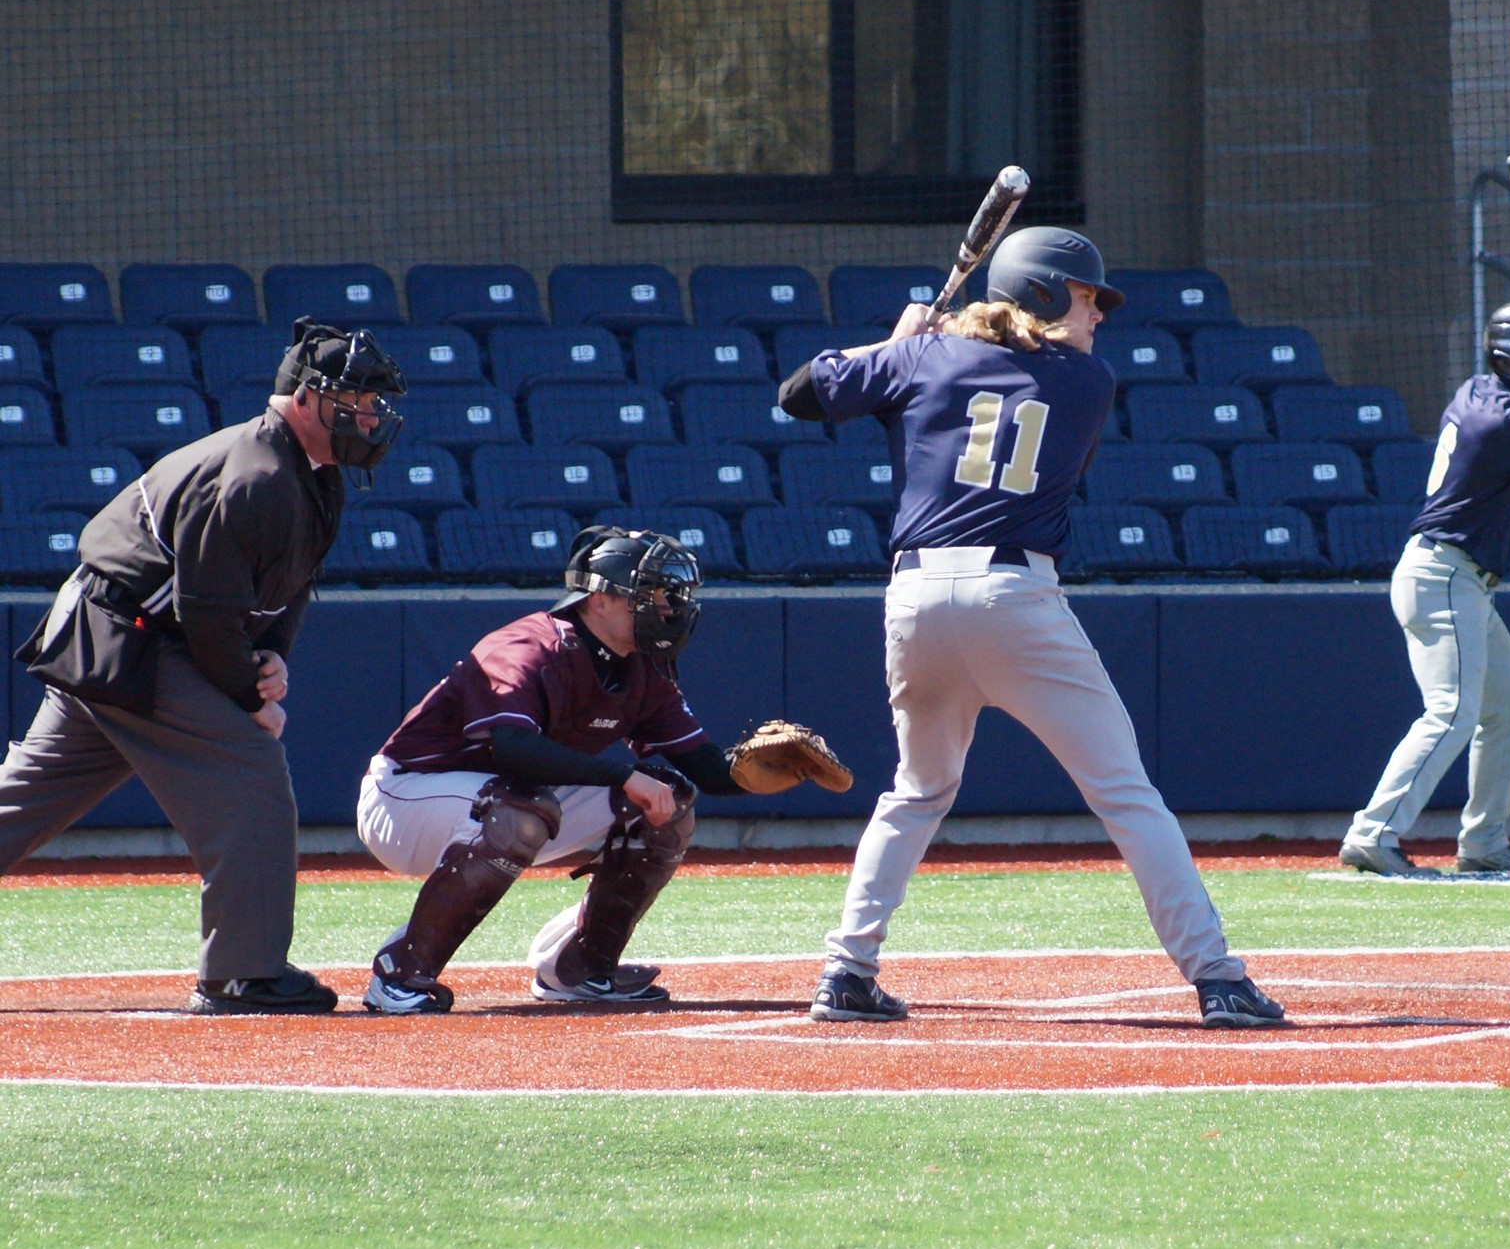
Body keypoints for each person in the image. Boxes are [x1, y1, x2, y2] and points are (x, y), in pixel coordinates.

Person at [775, 226, 1286, 1029]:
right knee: (1125, 792)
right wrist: (923, 353)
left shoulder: (927, 357)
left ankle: (846, 968)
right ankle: (1217, 977)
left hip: (913, 599)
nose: (1099, 315)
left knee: (916, 790)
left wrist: (899, 344)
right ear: (1045, 294)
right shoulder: (1089, 381)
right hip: (1013, 595)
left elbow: (799, 392)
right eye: (1087, 297)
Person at [0, 319, 404, 1012]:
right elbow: (210, 612)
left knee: (28, 795)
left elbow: (287, 584)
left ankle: (242, 968)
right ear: (306, 398)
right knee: (249, 775)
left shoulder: (313, 475)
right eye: (355, 401)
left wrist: (272, 656)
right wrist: (250, 694)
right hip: (126, 632)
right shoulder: (256, 474)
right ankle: (241, 973)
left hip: (129, 629)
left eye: (373, 404)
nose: (369, 417)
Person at [355, 526, 847, 1014]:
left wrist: (761, 768)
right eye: (652, 594)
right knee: (519, 808)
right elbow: (512, 749)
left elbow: (707, 772)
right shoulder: (528, 645)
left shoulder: (642, 667)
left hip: (515, 801)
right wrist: (621, 774)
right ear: (600, 599)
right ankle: (400, 973)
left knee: (666, 802)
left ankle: (579, 967)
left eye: (672, 595)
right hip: (405, 798)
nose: (669, 608)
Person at [1340, 300, 1510, 878]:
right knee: (1451, 712)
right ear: (1509, 358)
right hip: (1445, 576)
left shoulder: (1479, 392)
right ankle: (1373, 833)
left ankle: (1484, 841)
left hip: (1458, 578)